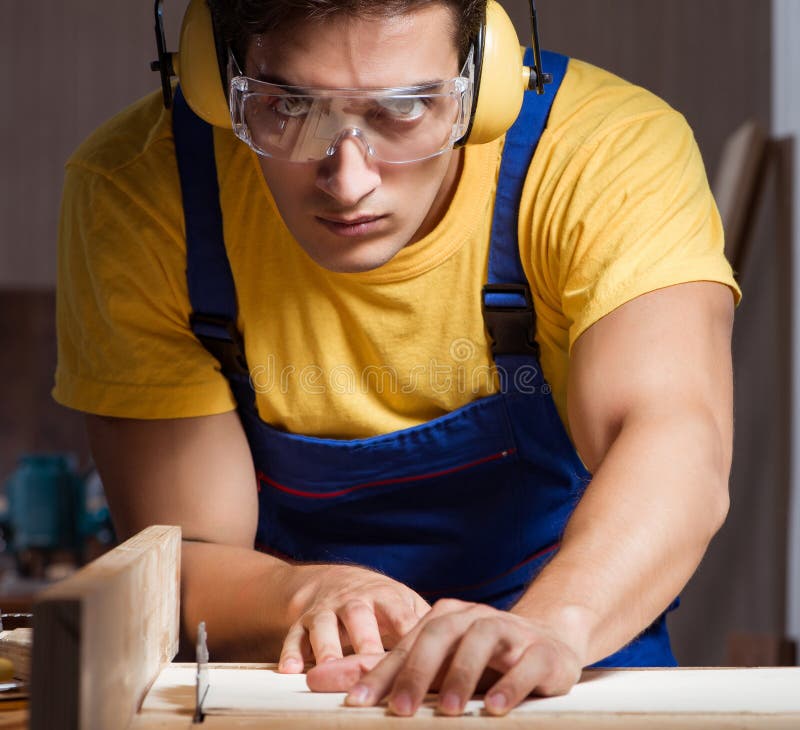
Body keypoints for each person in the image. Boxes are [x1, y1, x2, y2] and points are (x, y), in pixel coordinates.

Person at [54, 0, 740, 717]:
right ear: (212, 77)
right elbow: (183, 549)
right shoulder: (141, 191)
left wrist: (549, 626)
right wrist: (306, 594)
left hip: (569, 658)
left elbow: (674, 441)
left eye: (407, 106)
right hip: (301, 687)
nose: (349, 181)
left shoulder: (605, 151)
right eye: (289, 104)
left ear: (488, 79)